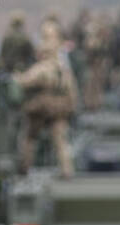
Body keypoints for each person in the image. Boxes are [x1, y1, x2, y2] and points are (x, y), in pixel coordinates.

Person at [15, 40, 78, 179]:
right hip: (59, 110)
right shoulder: (63, 69)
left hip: (40, 109)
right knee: (61, 141)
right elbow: (72, 91)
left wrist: (17, 76)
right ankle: (67, 170)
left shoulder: (41, 68)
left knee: (29, 138)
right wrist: (71, 108)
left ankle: (24, 168)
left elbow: (24, 82)